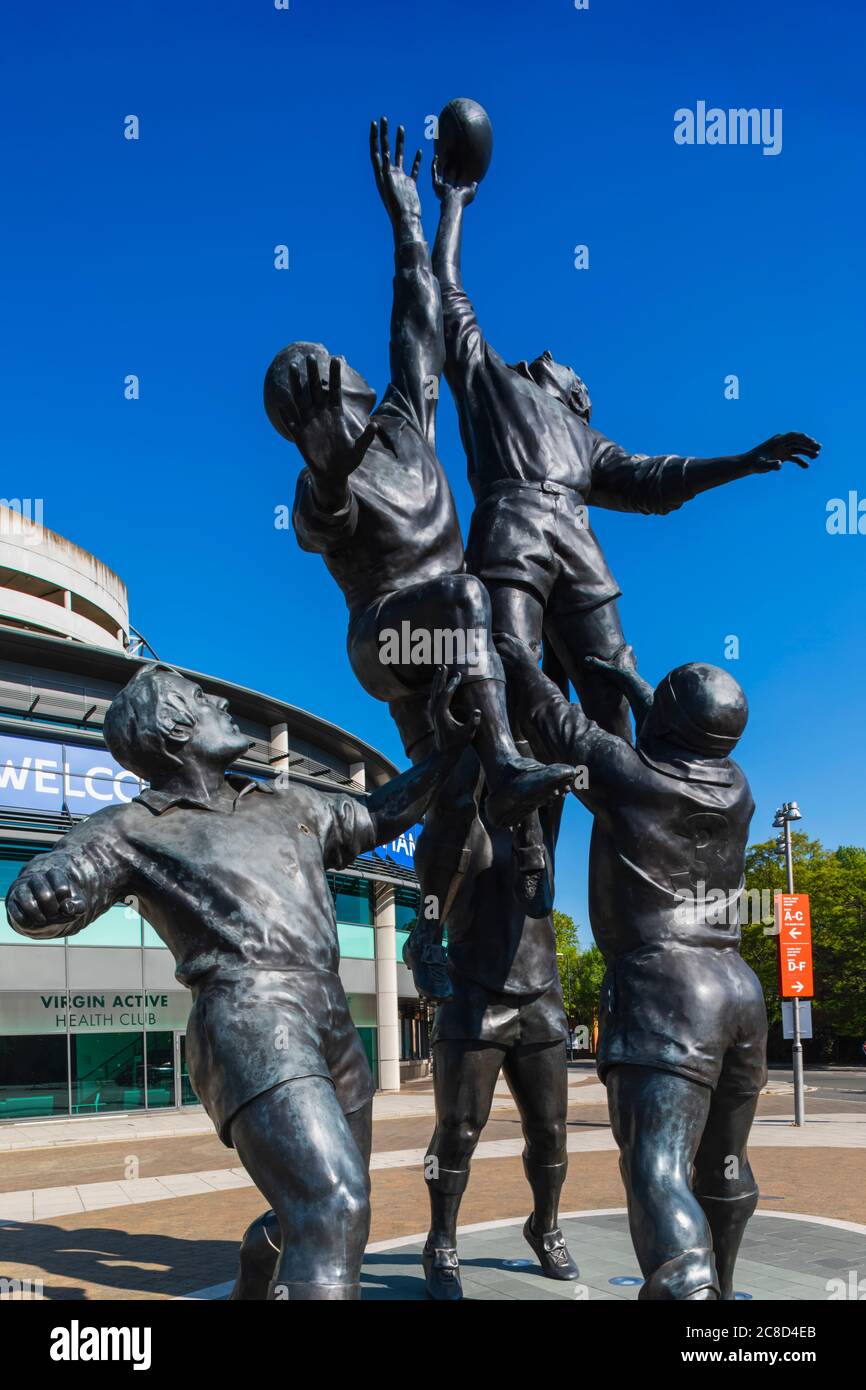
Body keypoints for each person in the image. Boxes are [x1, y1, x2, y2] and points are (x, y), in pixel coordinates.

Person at [6, 662, 479, 1301]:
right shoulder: (133, 827)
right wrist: (40, 890)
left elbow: (378, 816)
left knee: (328, 1204)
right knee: (333, 1205)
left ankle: (253, 1283)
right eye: (204, 699)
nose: (222, 703)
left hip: (331, 1013)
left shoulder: (288, 803)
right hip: (249, 1014)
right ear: (175, 729)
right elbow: (68, 874)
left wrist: (447, 753)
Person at [263, 120, 573, 998]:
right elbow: (317, 523)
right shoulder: (324, 477)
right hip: (389, 641)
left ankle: (428, 936)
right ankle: (510, 774)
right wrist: (325, 472)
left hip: (447, 649)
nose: (334, 375)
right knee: (473, 603)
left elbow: (418, 313)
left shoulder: (405, 419)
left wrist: (414, 220)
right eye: (307, 389)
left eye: (324, 369)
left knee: (458, 793)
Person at [432, 170, 821, 741]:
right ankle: (523, 827)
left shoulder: (585, 441)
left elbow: (654, 480)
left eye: (563, 364)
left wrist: (741, 462)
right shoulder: (491, 381)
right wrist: (454, 204)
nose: (546, 353)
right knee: (513, 681)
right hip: (511, 533)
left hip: (580, 548)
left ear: (576, 400)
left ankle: (630, 821)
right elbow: (446, 292)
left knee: (614, 710)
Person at [499, 636, 768, 1300]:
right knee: (725, 1165)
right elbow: (682, 739)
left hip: (668, 988)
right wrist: (642, 691)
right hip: (739, 990)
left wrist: (514, 656)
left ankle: (690, 1292)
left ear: (671, 725)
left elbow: (556, 724)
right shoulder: (736, 787)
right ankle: (724, 1295)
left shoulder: (630, 778)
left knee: (656, 1169)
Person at [420, 784, 579, 1299]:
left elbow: (539, 897)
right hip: (473, 994)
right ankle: (441, 1241)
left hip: (540, 996)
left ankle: (546, 1226)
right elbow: (428, 914)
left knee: (551, 1131)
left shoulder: (542, 817)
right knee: (458, 1130)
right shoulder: (455, 821)